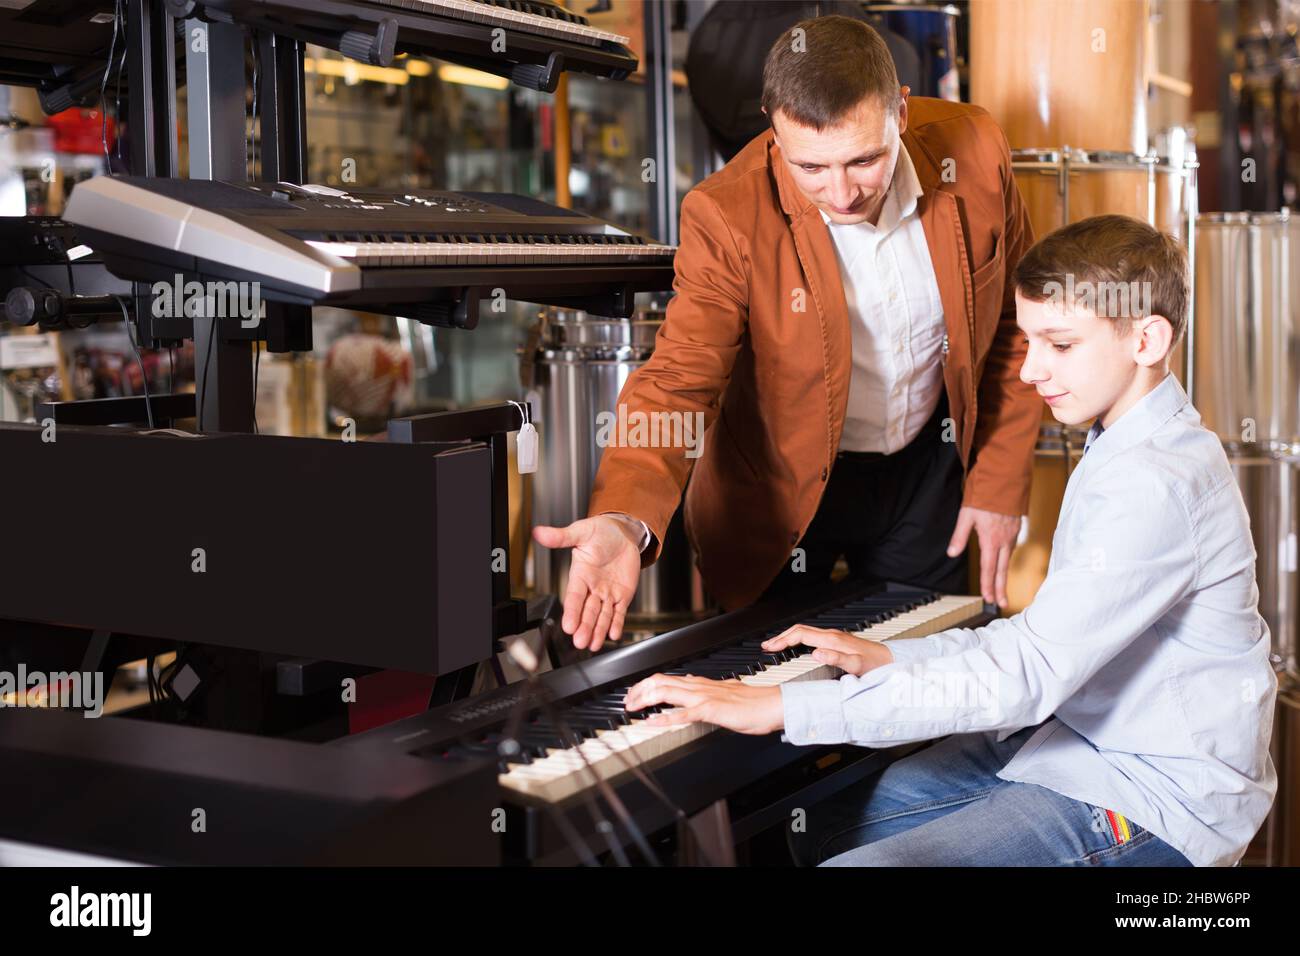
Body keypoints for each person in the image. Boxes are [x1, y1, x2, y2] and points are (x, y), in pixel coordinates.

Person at [623, 215, 1278, 867]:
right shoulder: (1127, 437)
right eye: (1028, 342)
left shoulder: (1155, 483)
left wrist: (781, 705)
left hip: (1157, 793)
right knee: (818, 824)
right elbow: (1037, 643)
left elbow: (1026, 676)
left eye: (1060, 344)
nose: (1029, 372)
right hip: (1072, 740)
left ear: (1147, 340)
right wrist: (890, 660)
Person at [533, 16, 1040, 651]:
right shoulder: (726, 214)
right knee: (783, 720)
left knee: (922, 686)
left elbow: (1024, 328)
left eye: (865, 159)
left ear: (902, 112)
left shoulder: (977, 149)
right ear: (774, 129)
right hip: (778, 502)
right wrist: (622, 516)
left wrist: (997, 484)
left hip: (928, 476)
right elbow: (679, 381)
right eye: (811, 167)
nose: (842, 192)